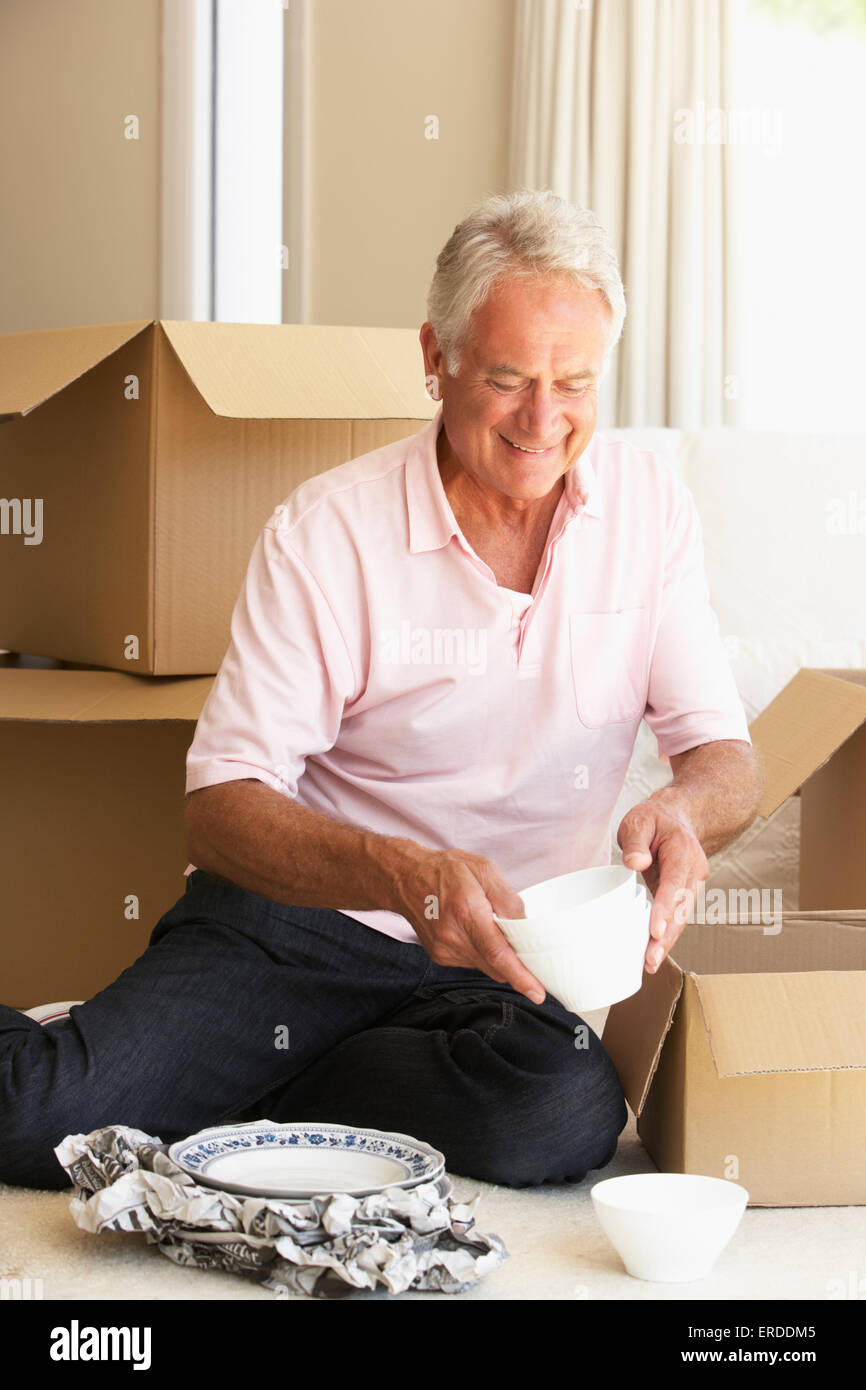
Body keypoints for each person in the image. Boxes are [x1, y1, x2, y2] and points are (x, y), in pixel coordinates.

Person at [0, 190, 761, 1191]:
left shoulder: (649, 510)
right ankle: (176, 1061)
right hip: (295, 932)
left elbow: (723, 760)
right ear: (434, 358)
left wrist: (682, 812)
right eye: (506, 378)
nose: (543, 419)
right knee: (34, 1121)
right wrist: (400, 874)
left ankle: (247, 1091)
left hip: (498, 966)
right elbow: (217, 812)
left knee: (560, 1117)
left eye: (573, 382)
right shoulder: (327, 531)